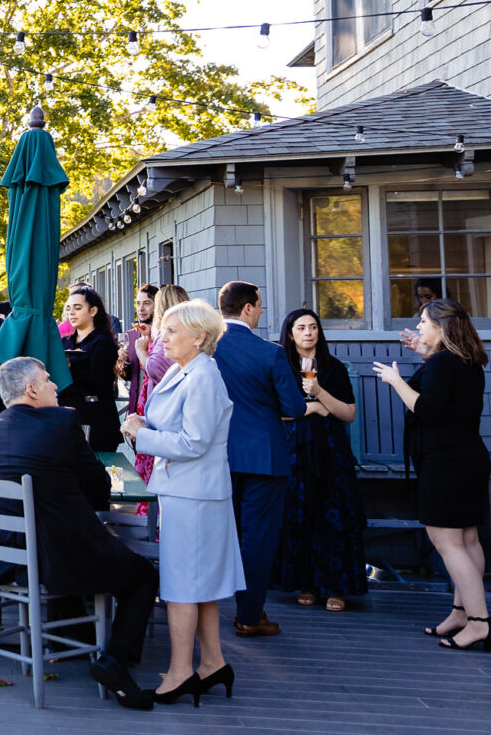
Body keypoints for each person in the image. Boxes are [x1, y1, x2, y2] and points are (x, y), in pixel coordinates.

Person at [0, 356, 157, 710]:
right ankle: (115, 659)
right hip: (60, 554)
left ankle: (72, 638)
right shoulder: (62, 420)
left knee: (66, 541)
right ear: (31, 389)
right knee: (144, 576)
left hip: (4, 557)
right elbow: (99, 485)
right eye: (47, 379)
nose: (55, 385)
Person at [122, 300, 244, 707]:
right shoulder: (183, 370)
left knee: (180, 587)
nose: (163, 337)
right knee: (199, 586)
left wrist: (143, 436)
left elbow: (195, 441)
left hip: (196, 495)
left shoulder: (204, 376)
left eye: (172, 331)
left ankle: (180, 672)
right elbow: (170, 426)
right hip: (184, 491)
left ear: (200, 337)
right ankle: (212, 663)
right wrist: (140, 426)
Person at [372, 299, 491, 652]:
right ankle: (461, 612)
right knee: (468, 540)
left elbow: (428, 409)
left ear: (441, 327)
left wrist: (395, 380)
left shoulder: (444, 363)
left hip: (446, 464)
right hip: (468, 458)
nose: (420, 326)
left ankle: (479, 623)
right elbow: (446, 396)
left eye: (424, 322)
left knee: (448, 543)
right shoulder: (465, 361)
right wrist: (425, 353)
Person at [212, 280, 306, 637]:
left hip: (220, 454)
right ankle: (249, 615)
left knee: (224, 534)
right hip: (264, 456)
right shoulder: (270, 352)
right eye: (260, 305)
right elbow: (295, 407)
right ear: (248, 308)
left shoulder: (207, 349)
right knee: (258, 538)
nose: (262, 311)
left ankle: (213, 608)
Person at [274, 308, 366, 612]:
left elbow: (348, 414)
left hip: (330, 451)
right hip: (294, 449)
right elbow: (275, 412)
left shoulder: (334, 368)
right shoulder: (281, 366)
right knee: (299, 513)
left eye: (313, 327)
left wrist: (319, 393)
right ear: (290, 333)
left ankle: (336, 586)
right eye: (301, 328)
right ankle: (306, 583)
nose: (308, 333)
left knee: (333, 514)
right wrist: (312, 409)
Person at [130, 284, 190, 498]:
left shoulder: (170, 335)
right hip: (156, 405)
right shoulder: (176, 334)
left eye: (149, 303)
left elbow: (156, 369)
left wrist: (140, 351)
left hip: (162, 410)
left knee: (154, 467)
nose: (144, 308)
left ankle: (151, 518)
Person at [61, 287, 121, 451]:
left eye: (78, 308)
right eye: (69, 308)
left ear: (93, 310)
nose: (71, 313)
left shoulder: (103, 342)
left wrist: (71, 368)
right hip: (68, 420)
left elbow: (101, 384)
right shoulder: (65, 343)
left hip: (96, 422)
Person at [119, 284, 159, 415]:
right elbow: (129, 376)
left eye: (146, 303)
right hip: (137, 406)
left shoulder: (163, 335)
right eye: (138, 303)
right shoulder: (131, 335)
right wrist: (122, 362)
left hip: (159, 405)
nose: (141, 308)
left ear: (157, 304)